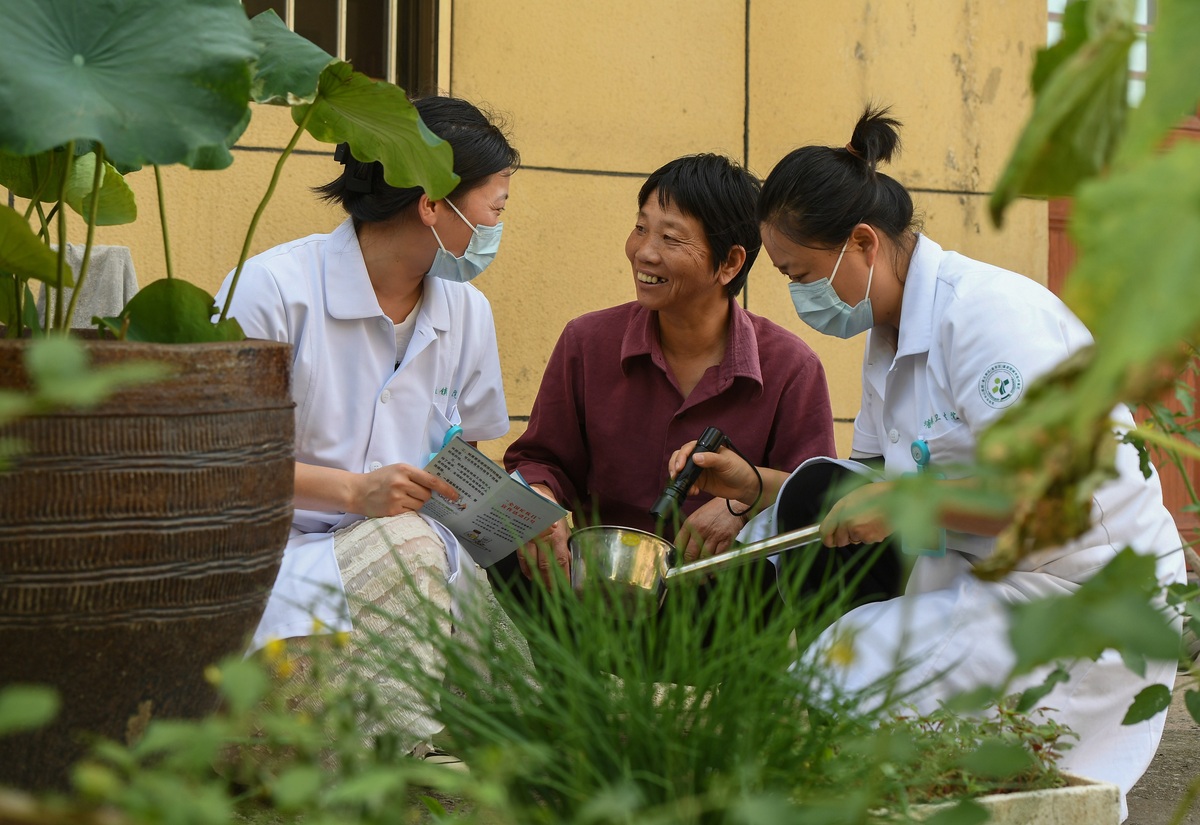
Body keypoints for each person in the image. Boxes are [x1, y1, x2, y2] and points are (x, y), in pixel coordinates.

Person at [672, 106, 1186, 815]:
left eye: (802, 273)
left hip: (1082, 590)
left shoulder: (989, 316)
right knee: (863, 685)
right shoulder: (888, 344)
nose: (801, 298)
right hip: (991, 583)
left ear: (862, 243)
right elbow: (873, 488)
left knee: (853, 677)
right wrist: (756, 487)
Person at [216, 95, 519, 761]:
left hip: (416, 584)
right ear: (434, 203)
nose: (496, 229)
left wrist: (520, 514)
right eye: (494, 208)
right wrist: (356, 494)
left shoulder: (467, 313)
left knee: (537, 702)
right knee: (408, 543)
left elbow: (460, 459)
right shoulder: (271, 290)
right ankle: (394, 751)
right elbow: (216, 469)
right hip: (267, 578)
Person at [490, 153, 836, 659]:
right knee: (503, 538)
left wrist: (742, 504)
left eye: (671, 239)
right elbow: (541, 460)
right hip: (594, 593)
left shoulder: (791, 367)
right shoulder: (588, 341)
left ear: (731, 262)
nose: (643, 253)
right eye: (639, 229)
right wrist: (539, 503)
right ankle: (547, 695)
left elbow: (814, 501)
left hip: (721, 603)